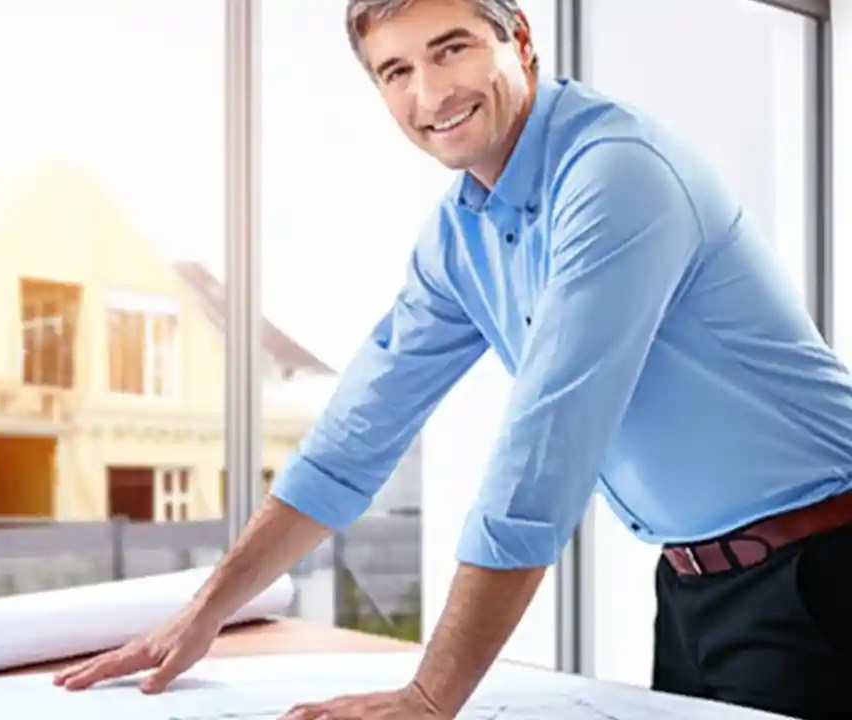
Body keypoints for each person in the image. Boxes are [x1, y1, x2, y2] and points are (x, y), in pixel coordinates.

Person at [53, 0, 852, 717]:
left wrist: (432, 698)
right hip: (693, 586)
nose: (431, 94)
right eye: (396, 70)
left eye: (452, 49)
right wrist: (203, 615)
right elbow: (350, 443)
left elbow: (542, 456)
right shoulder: (460, 236)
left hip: (822, 569)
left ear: (521, 42)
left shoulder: (616, 176)